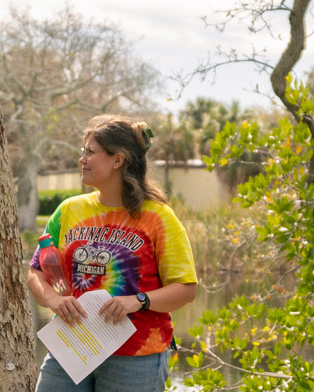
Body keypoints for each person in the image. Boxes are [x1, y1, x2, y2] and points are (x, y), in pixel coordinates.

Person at [28, 114, 199, 392]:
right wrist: (53, 300)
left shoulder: (159, 217)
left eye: (90, 152)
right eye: (83, 151)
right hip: (70, 348)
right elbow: (36, 272)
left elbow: (186, 289)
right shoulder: (68, 210)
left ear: (118, 160)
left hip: (136, 358)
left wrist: (138, 301)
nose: (82, 159)